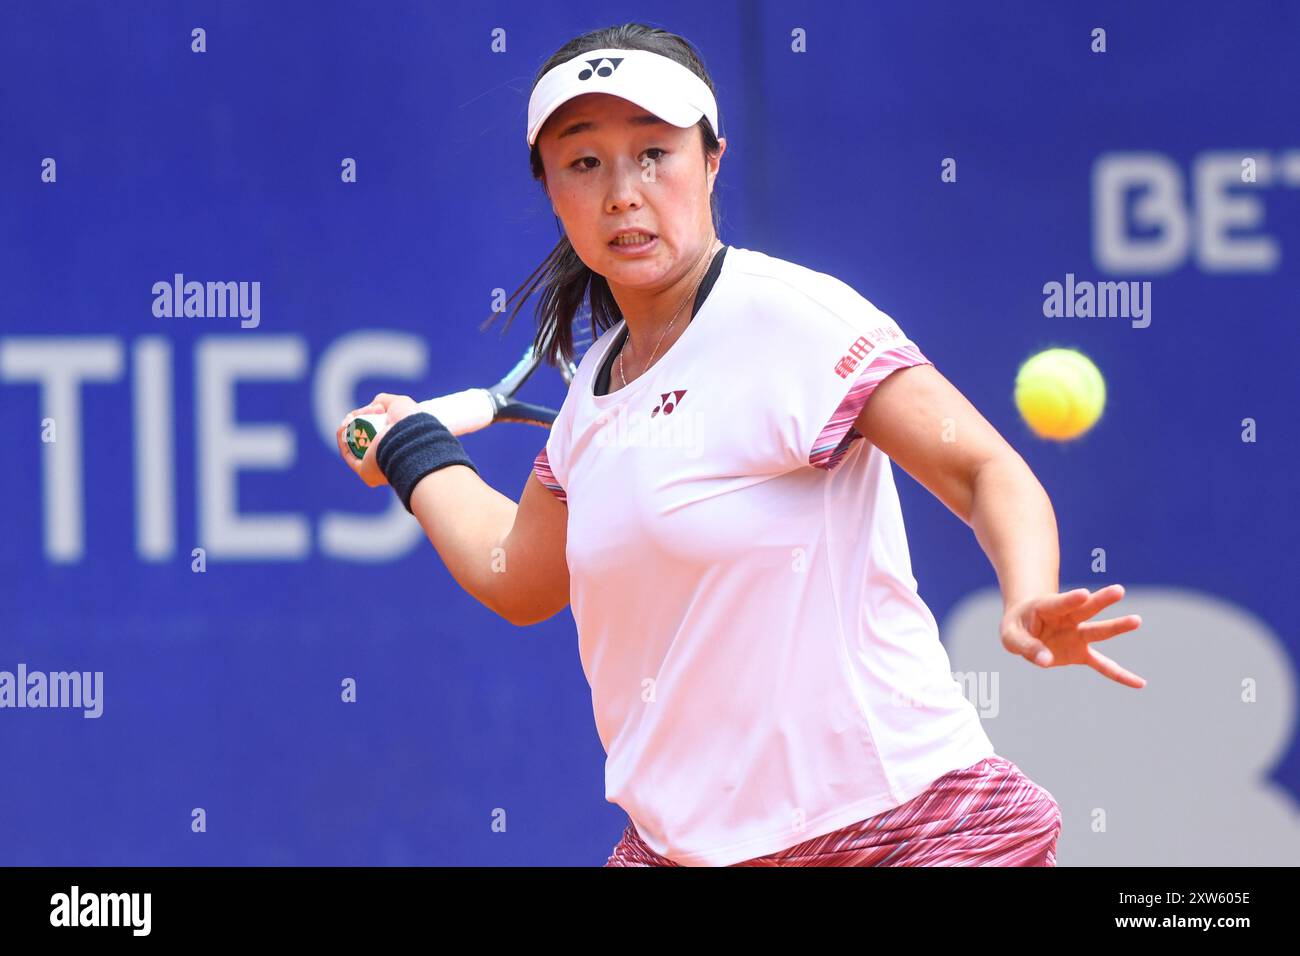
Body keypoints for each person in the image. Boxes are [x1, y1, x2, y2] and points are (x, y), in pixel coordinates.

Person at [335, 22, 1145, 867]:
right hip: (685, 850)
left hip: (902, 832)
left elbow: (981, 470)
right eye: (586, 162)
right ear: (551, 190)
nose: (623, 192)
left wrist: (1026, 593)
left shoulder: (795, 319)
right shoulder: (593, 396)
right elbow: (520, 575)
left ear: (712, 161)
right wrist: (412, 450)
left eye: (655, 154)